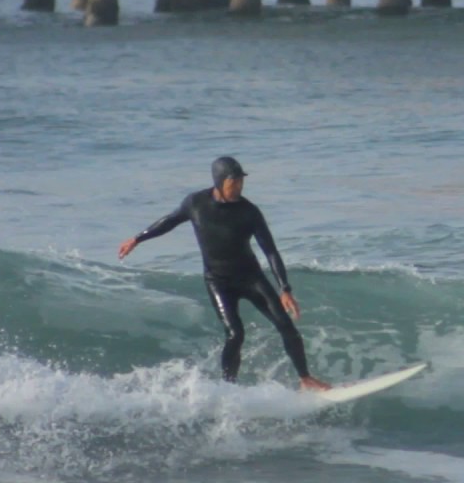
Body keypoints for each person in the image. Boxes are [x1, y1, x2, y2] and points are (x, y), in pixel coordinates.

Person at [118, 156, 331, 391]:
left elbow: (270, 251)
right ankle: (228, 389)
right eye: (234, 182)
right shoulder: (195, 203)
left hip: (251, 278)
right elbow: (169, 221)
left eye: (241, 181)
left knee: (286, 325)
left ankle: (305, 379)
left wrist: (285, 288)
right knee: (235, 334)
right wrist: (138, 238)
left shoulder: (249, 212)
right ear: (219, 182)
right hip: (218, 281)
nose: (239, 186)